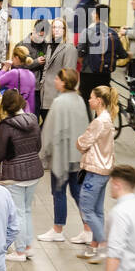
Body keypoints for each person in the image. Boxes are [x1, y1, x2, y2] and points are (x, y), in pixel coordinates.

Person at [38, 68, 92, 245]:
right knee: (78, 193)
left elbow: (51, 131)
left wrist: (43, 153)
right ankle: (88, 229)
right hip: (77, 157)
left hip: (62, 156)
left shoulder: (59, 102)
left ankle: (58, 229)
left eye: (57, 79)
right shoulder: (79, 100)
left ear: (63, 82)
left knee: (58, 192)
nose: (54, 81)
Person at [0, 89, 43, 261]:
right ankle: (28, 246)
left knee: (18, 213)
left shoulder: (6, 126)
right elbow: (38, 146)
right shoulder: (34, 119)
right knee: (27, 210)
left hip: (14, 175)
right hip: (34, 171)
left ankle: (20, 251)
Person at [74, 84, 118, 263]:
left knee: (86, 209)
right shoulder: (107, 118)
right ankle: (94, 247)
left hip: (94, 170)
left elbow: (82, 143)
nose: (89, 100)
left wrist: (78, 141)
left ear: (99, 101)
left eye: (91, 97)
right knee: (97, 211)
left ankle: (104, 246)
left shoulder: (99, 122)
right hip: (104, 170)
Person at [36, 17, 76, 125]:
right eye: (54, 27)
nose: (56, 30)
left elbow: (69, 76)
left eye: (60, 27)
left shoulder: (69, 48)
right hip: (44, 93)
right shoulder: (49, 46)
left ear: (64, 30)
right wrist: (42, 83)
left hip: (57, 94)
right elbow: (45, 68)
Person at [77, 4, 119, 102]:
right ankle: (101, 116)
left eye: (93, 12)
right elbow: (121, 53)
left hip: (88, 72)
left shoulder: (87, 31)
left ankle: (86, 117)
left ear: (96, 15)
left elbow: (80, 52)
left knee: (85, 100)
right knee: (102, 101)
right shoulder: (113, 33)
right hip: (105, 73)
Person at [0, 45, 37, 113]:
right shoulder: (31, 75)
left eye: (12, 58)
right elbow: (32, 101)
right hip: (26, 114)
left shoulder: (14, 73)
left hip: (14, 113)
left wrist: (5, 68)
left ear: (16, 58)